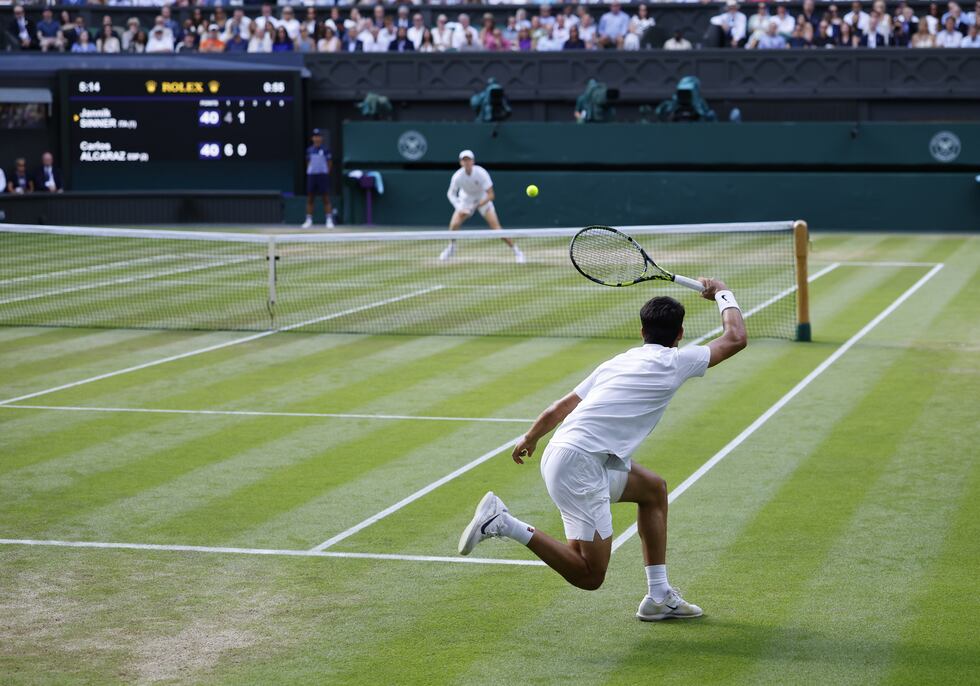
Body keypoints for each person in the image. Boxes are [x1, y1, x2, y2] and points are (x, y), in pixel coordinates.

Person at [459, 284, 747, 621]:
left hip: (564, 454)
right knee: (589, 575)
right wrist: (722, 292)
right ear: (680, 333)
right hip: (580, 466)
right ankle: (504, 523)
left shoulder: (618, 362)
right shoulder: (675, 361)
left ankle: (659, 596)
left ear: (642, 331)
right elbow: (735, 338)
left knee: (653, 490)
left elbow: (561, 406)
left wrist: (531, 437)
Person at [442, 150, 523, 264]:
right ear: (461, 163)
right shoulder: (457, 176)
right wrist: (460, 207)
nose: (466, 162)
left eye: (468, 160)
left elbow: (491, 195)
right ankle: (452, 247)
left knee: (497, 229)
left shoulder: (481, 173)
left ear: (473, 161)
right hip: (465, 201)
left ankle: (517, 251)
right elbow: (451, 194)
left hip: (483, 199)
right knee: (454, 225)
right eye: (464, 160)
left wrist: (476, 206)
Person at [302, 129, 333, 229]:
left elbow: (329, 163)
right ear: (313, 138)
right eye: (315, 137)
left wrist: (326, 173)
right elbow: (308, 163)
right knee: (310, 198)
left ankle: (329, 220)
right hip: (312, 176)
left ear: (321, 138)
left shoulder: (326, 150)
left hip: (323, 176)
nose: (317, 138)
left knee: (326, 198)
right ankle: (308, 220)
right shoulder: (309, 150)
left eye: (319, 136)